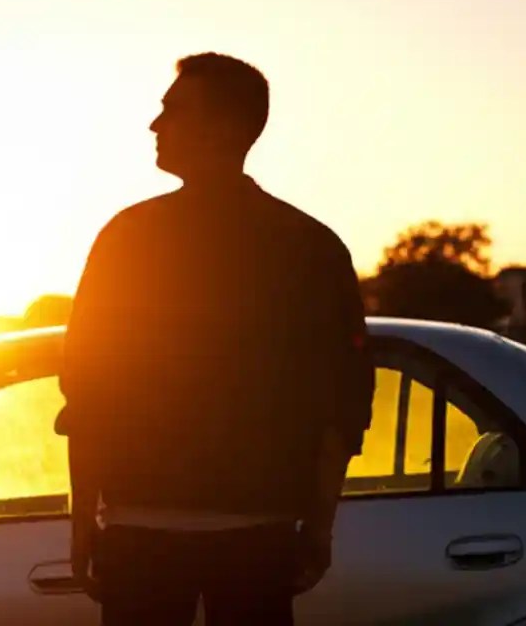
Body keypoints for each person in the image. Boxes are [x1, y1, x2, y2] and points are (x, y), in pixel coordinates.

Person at [57, 53, 373, 626]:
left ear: (226, 127)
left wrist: (83, 525)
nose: (155, 125)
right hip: (258, 543)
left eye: (172, 110)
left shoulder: (127, 238)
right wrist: (318, 527)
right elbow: (343, 404)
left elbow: (87, 393)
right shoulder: (312, 245)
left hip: (143, 543)